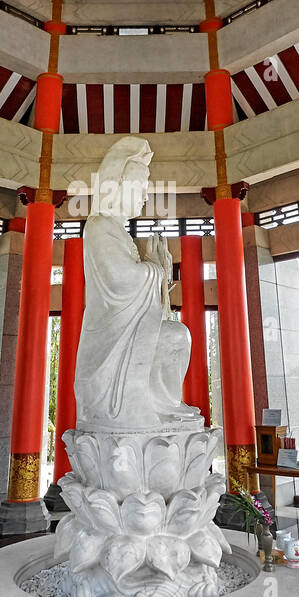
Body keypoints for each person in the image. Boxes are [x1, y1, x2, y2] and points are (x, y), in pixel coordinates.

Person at [74, 137, 200, 432]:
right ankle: (158, 407)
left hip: (129, 334)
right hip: (111, 343)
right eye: (141, 188)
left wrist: (158, 268)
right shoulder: (99, 226)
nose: (145, 197)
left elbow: (132, 277)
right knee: (175, 336)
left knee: (176, 336)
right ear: (119, 186)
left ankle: (164, 404)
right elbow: (120, 281)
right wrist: (155, 268)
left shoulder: (119, 232)